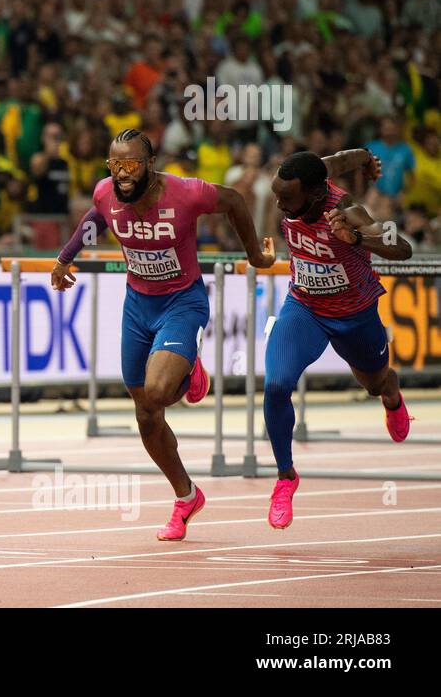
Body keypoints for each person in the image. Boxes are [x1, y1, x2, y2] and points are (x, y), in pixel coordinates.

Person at [51, 128, 275, 541]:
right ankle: (186, 496)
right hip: (138, 306)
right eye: (114, 164)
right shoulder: (105, 192)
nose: (121, 173)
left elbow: (235, 201)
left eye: (130, 164)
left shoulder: (186, 193)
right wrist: (65, 259)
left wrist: (256, 256)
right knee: (145, 413)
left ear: (150, 166)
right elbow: (94, 219)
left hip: (182, 303)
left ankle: (190, 371)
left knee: (156, 391)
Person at [264, 150, 414, 529]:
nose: (280, 206)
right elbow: (342, 159)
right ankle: (285, 477)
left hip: (354, 315)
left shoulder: (347, 210)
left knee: (374, 383)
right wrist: (366, 159)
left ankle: (392, 395)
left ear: (315, 195)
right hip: (304, 308)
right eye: (277, 196)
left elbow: (402, 248)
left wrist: (358, 237)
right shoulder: (309, 174)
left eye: (287, 200)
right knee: (277, 384)